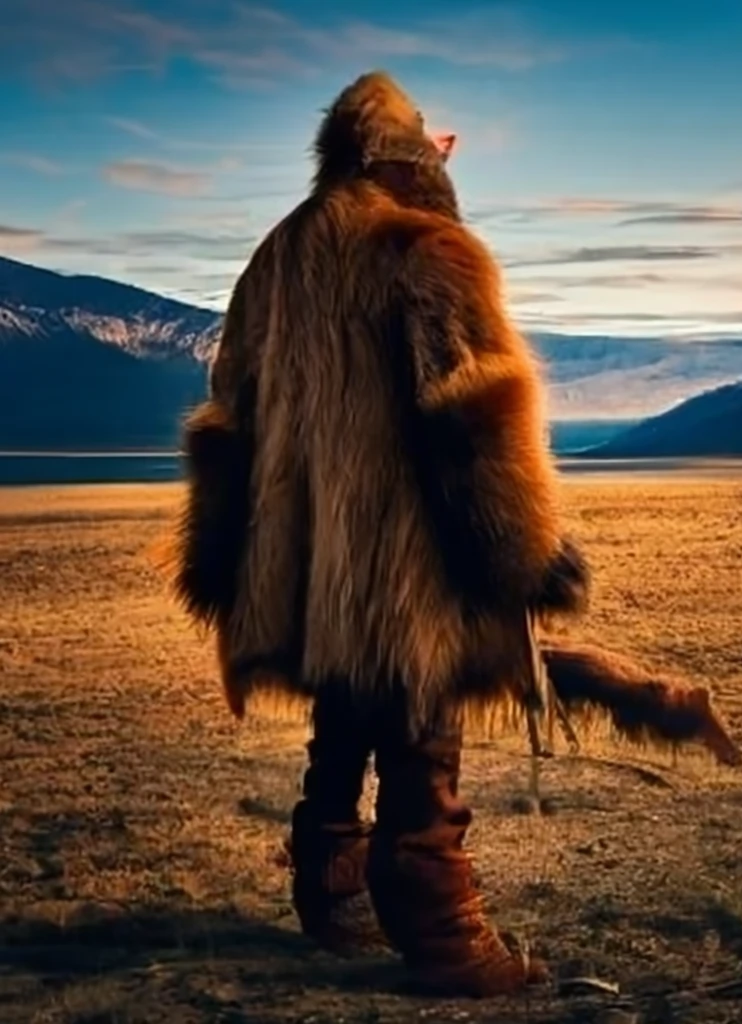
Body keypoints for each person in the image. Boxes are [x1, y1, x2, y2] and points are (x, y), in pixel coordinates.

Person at [169, 70, 590, 998]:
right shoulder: (431, 247)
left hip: (305, 559)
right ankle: (442, 933)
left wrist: (226, 562)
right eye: (430, 144)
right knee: (420, 738)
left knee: (343, 719)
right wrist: (523, 556)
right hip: (408, 560)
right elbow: (476, 416)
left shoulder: (272, 259)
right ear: (414, 158)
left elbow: (228, 421)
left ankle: (333, 890)